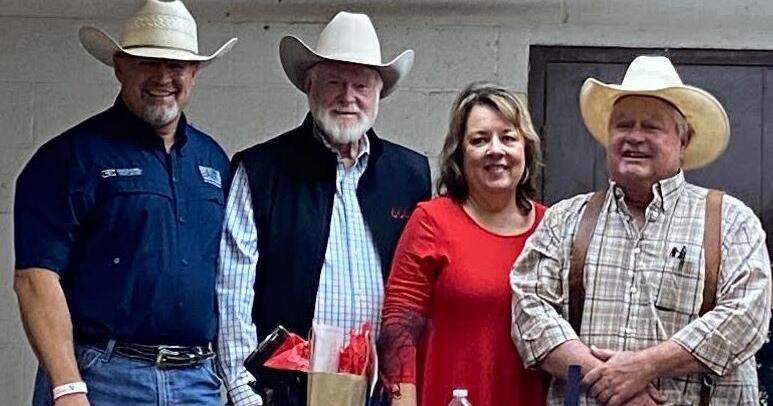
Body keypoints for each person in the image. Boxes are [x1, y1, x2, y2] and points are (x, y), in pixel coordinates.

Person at [510, 55, 771, 405]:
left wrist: (644, 366)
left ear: (684, 139)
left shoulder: (732, 221)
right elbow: (529, 310)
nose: (634, 137)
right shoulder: (564, 219)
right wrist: (611, 383)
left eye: (651, 127)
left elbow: (746, 317)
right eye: (623, 125)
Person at [12, 1, 237, 405]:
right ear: (120, 67)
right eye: (148, 63)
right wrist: (67, 387)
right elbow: (35, 278)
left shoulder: (212, 160)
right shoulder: (69, 158)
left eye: (177, 66)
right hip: (102, 377)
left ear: (195, 73)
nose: (163, 77)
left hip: (196, 381)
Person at [216, 11, 431, 406]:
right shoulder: (262, 170)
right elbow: (233, 290)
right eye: (334, 82)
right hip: (281, 392)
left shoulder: (411, 174)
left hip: (381, 393)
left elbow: (420, 291)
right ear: (309, 86)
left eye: (361, 85)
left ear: (378, 93)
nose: (348, 97)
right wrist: (243, 390)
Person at [378, 82, 547, 406]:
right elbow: (398, 330)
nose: (495, 150)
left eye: (508, 138)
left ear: (526, 149)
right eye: (479, 140)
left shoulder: (551, 227)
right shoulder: (431, 220)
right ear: (460, 154)